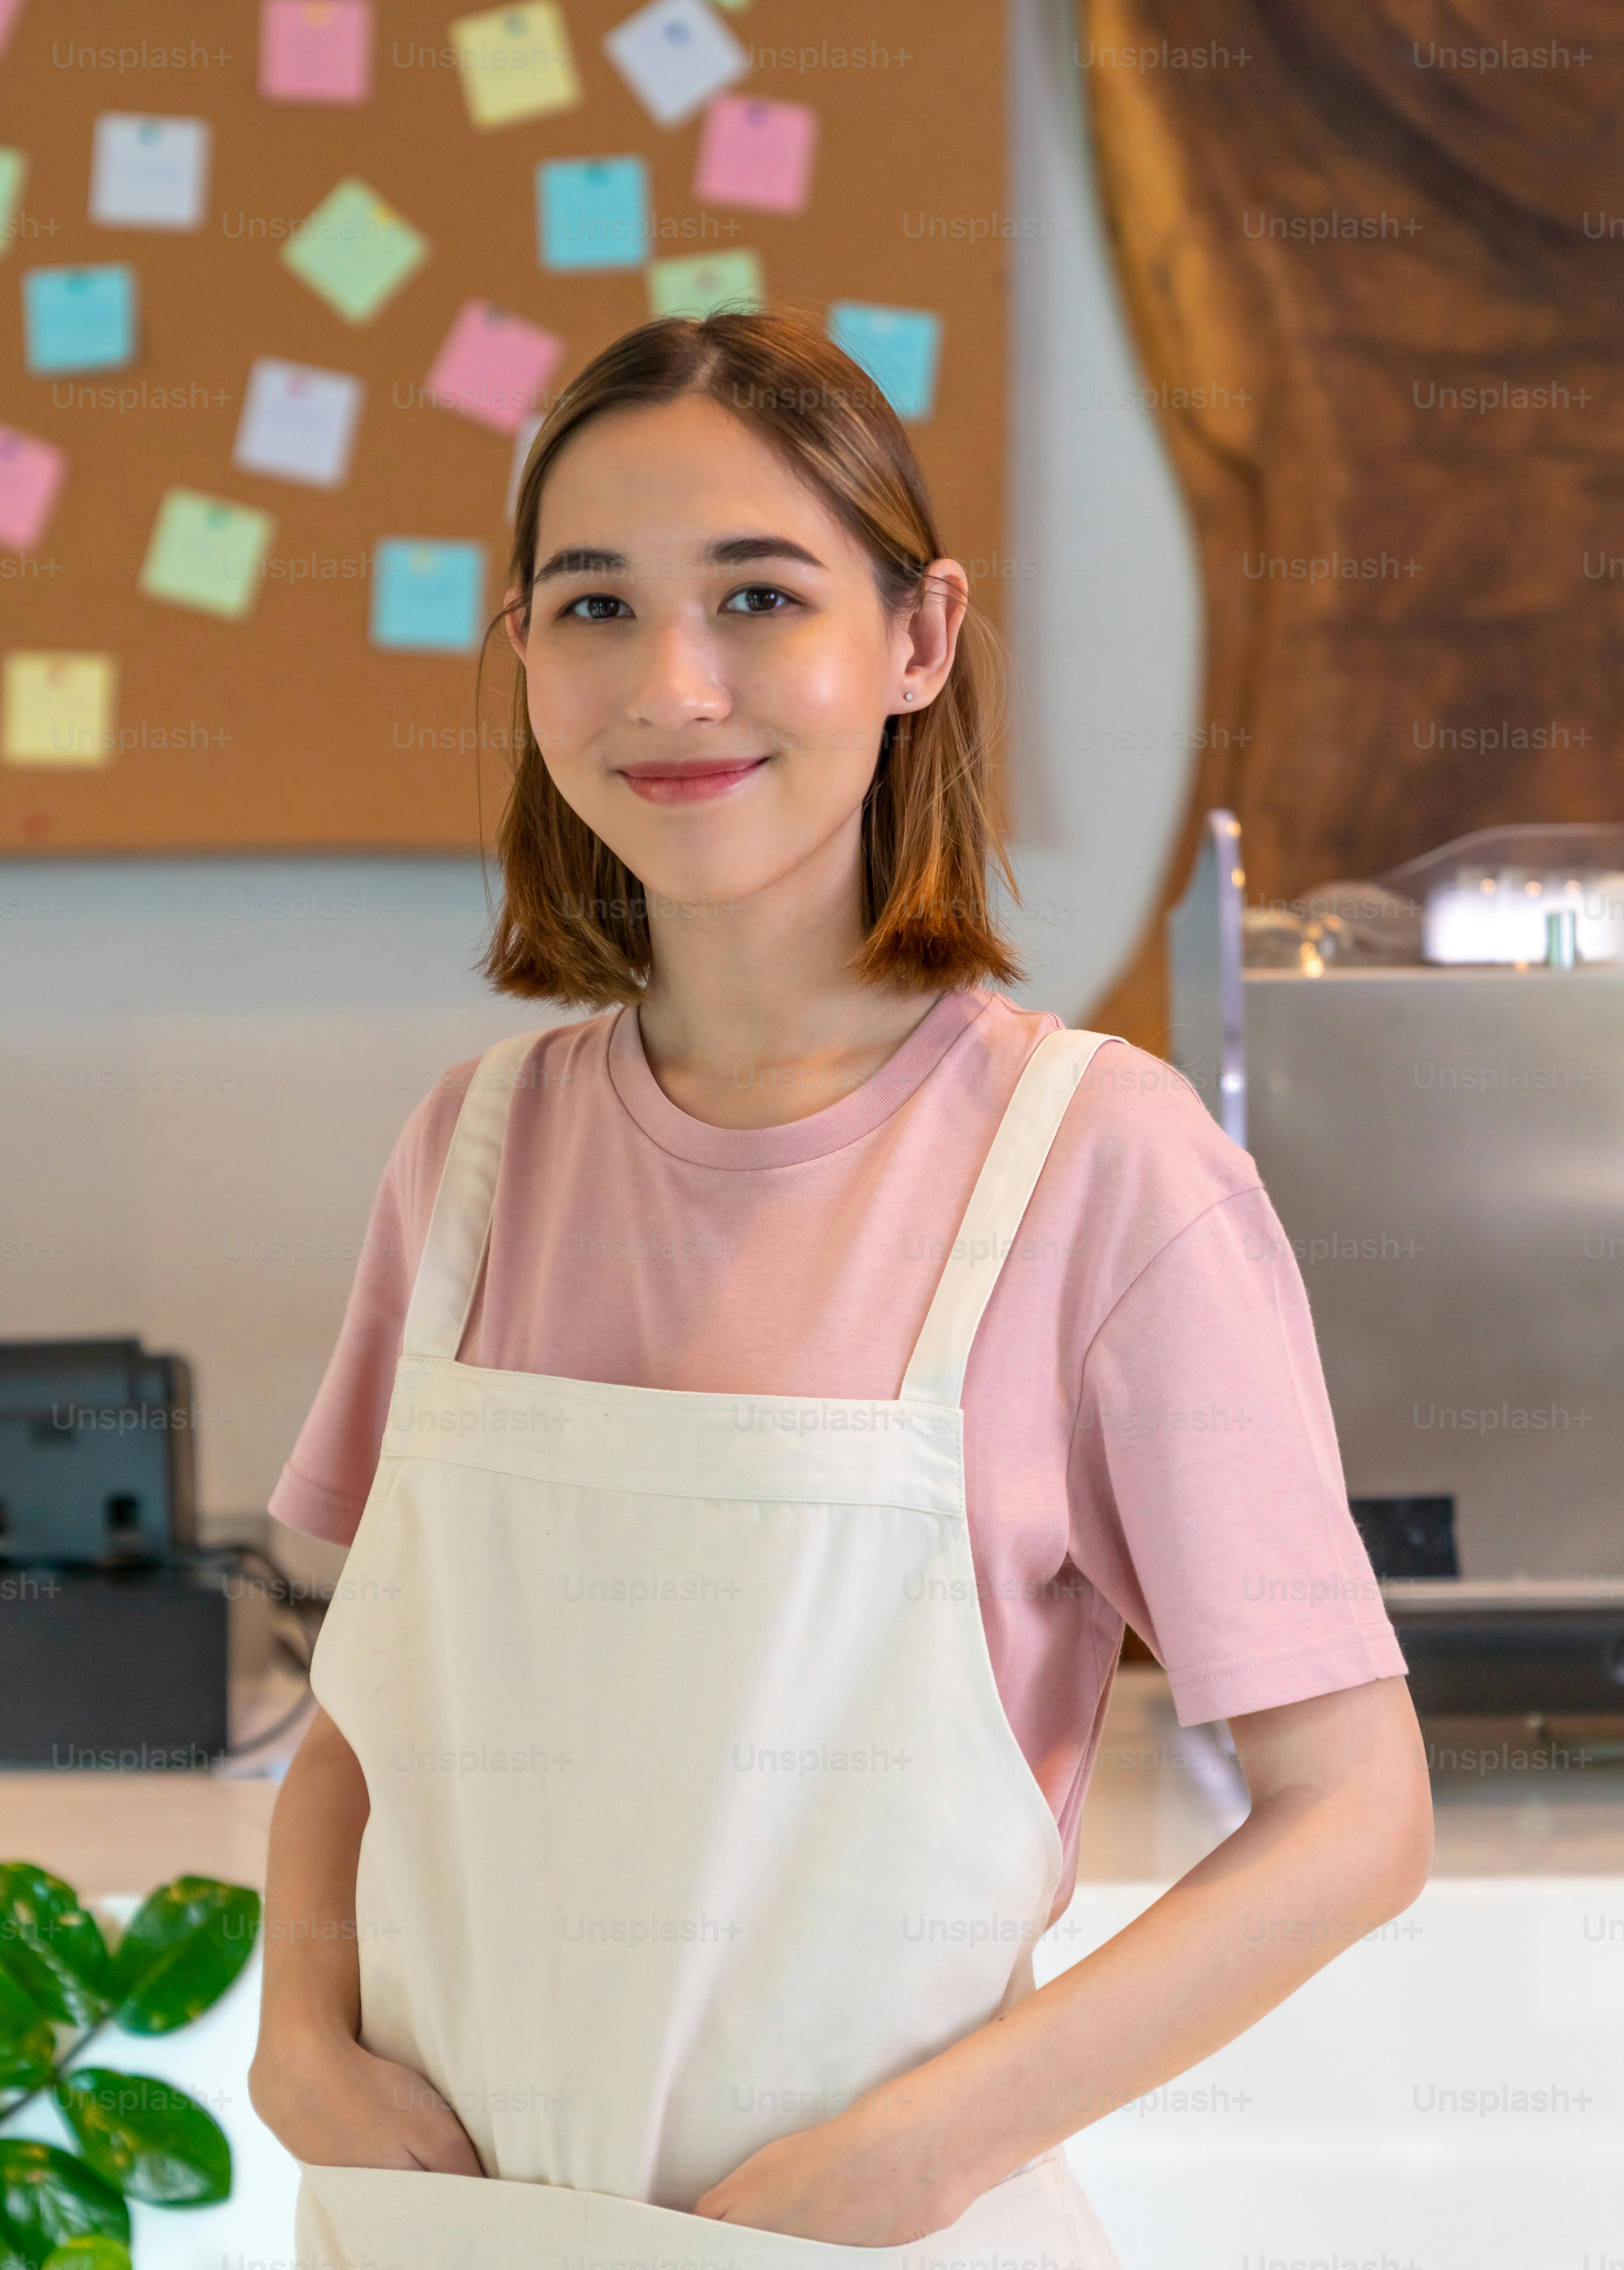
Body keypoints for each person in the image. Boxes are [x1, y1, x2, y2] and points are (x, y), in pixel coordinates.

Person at [249, 309, 1432, 2267]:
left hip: (857, 2241)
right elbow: (366, 1723)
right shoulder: (468, 1153)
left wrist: (928, 2150)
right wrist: (298, 2035)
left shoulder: (1097, 1168)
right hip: (430, 2231)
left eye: (757, 595)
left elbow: (1353, 1816)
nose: (674, 682)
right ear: (524, 659)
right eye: (595, 607)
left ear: (916, 639)